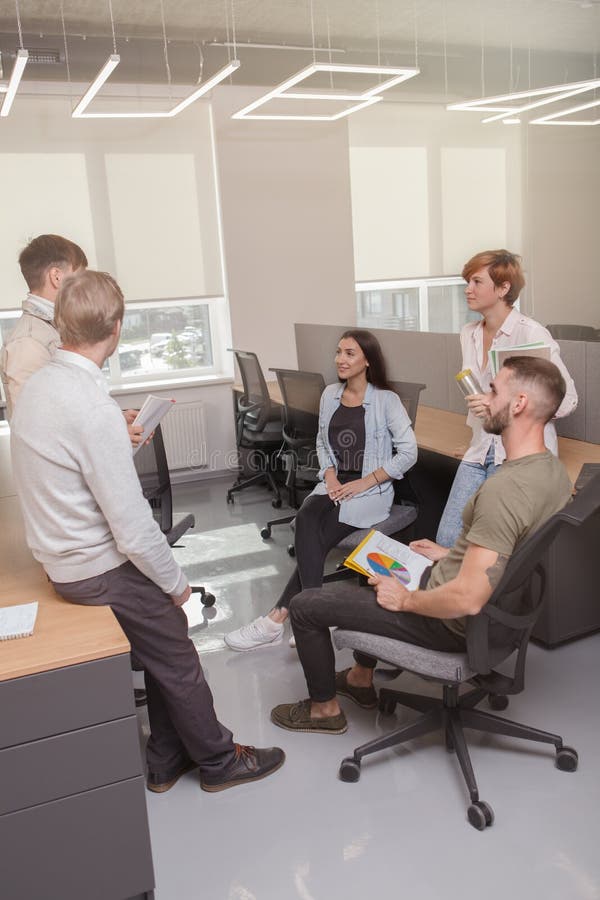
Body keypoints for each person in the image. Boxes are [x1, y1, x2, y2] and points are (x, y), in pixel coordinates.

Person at [10, 269, 285, 792]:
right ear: (115, 329)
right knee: (177, 647)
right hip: (97, 567)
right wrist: (175, 584)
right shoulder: (90, 406)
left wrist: (117, 435)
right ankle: (219, 761)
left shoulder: (43, 384)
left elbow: (75, 463)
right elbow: (133, 528)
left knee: (162, 643)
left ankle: (165, 759)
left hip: (62, 557)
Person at [269, 356, 572, 735]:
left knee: (304, 605)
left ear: (519, 403)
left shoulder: (503, 490)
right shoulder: (552, 472)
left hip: (449, 618)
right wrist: (454, 554)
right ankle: (362, 678)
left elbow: (467, 598)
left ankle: (323, 710)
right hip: (499, 613)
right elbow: (515, 551)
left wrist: (406, 600)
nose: (483, 397)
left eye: (493, 390)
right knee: (373, 562)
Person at [225, 329, 418, 652]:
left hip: (370, 491)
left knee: (318, 530)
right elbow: (321, 442)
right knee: (306, 516)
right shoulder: (330, 394)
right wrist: (328, 475)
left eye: (350, 354)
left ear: (368, 360)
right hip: (334, 484)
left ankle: (278, 617)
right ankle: (311, 615)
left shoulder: (386, 400)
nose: (340, 359)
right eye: (339, 352)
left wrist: (366, 481)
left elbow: (409, 452)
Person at [435, 249, 577, 549]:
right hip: (480, 449)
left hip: (519, 456)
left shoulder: (530, 333)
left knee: (492, 547)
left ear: (503, 288)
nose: (467, 289)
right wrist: (480, 432)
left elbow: (567, 400)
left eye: (476, 281)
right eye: (467, 281)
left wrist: (503, 407)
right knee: (447, 538)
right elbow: (481, 394)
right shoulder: (469, 333)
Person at [0, 234, 144, 447]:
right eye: (79, 276)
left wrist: (113, 421)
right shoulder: (27, 342)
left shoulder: (58, 326)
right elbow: (39, 428)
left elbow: (71, 407)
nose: (84, 285)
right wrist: (111, 433)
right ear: (56, 277)